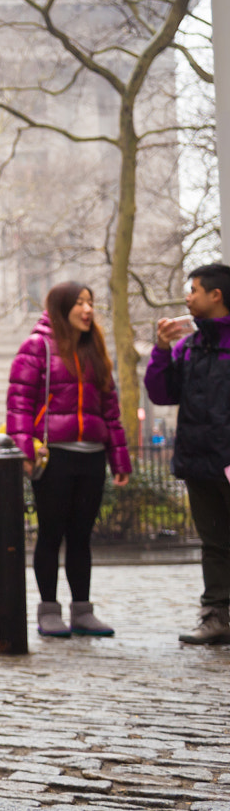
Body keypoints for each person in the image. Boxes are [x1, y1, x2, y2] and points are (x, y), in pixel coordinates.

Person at [6, 282, 131, 638]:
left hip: (92, 456)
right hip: (54, 456)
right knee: (51, 533)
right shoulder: (38, 347)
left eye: (90, 303)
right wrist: (25, 451)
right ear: (62, 308)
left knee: (81, 536)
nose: (88, 310)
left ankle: (82, 611)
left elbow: (110, 410)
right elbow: (19, 403)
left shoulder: (95, 349)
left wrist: (119, 460)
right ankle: (49, 611)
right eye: (79, 303)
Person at [145, 262, 230, 646]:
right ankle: (216, 617)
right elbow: (162, 393)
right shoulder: (189, 347)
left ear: (216, 295)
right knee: (214, 543)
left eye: (194, 289)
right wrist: (161, 350)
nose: (188, 296)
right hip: (199, 462)